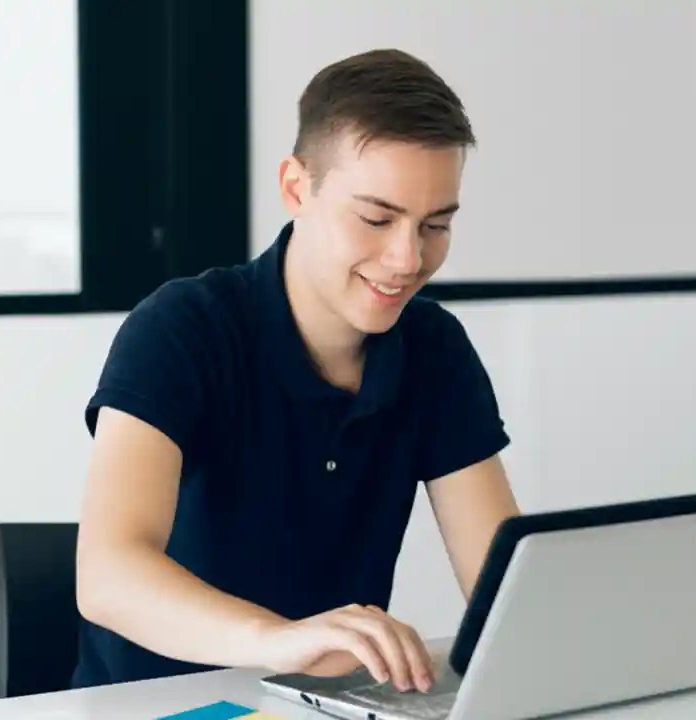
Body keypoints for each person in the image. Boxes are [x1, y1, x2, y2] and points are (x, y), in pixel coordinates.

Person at [71, 48, 520, 695]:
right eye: (376, 218)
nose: (406, 258)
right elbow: (107, 576)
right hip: (161, 707)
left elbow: (501, 585)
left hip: (324, 708)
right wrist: (277, 639)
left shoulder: (433, 348)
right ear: (296, 188)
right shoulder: (181, 327)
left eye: (436, 225)